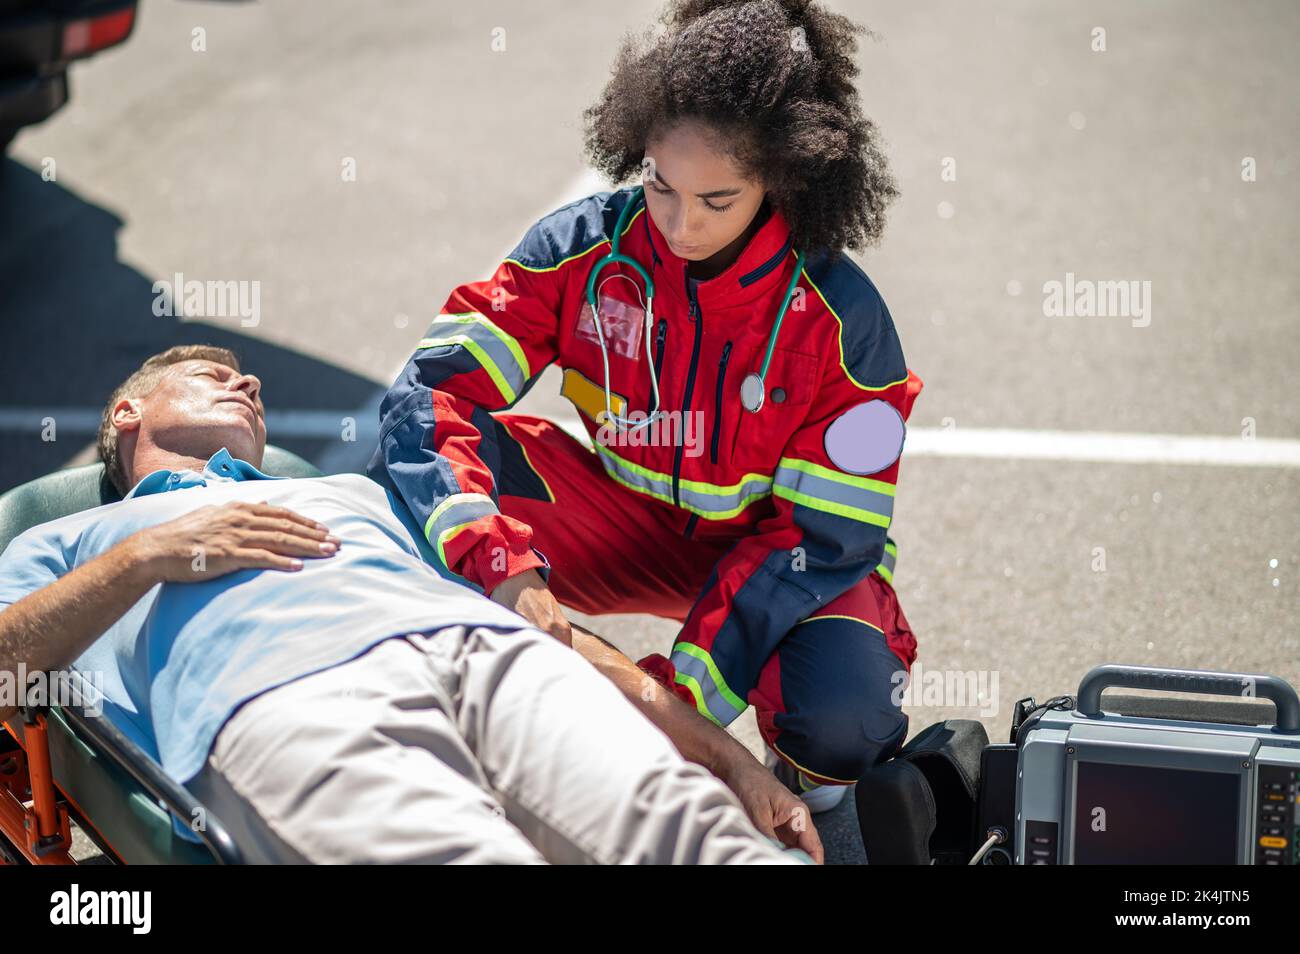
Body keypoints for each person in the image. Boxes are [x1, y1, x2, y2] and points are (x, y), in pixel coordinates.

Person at [369, 0, 923, 813]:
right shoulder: (580, 252)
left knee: (843, 723)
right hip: (622, 524)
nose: (680, 224)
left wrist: (674, 702)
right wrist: (499, 564)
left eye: (718, 199)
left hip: (783, 561)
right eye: (661, 184)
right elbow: (431, 390)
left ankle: (808, 789)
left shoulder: (848, 326)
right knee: (407, 493)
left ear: (782, 177)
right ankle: (447, 730)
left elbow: (821, 539)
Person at [0, 345, 816, 864]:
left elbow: (562, 636)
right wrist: (150, 555)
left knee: (702, 840)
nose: (246, 381)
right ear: (127, 412)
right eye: (214, 375)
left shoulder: (352, 492)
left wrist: (726, 758)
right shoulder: (75, 539)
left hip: (493, 656)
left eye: (246, 378)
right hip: (284, 696)